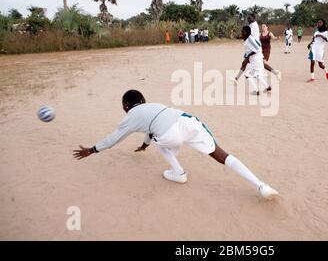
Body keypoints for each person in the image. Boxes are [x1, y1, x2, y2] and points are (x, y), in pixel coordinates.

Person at [73, 90, 279, 200]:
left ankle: (178, 173)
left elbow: (114, 138)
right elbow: (151, 127)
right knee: (221, 155)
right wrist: (144, 145)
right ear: (143, 99)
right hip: (187, 122)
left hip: (168, 135)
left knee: (160, 142)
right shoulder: (153, 106)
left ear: (126, 106)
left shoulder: (131, 116)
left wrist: (92, 149)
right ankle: (262, 186)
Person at [233, 26, 272, 95]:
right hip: (257, 58)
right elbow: (258, 44)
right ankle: (268, 87)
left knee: (247, 75)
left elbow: (257, 48)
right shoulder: (249, 37)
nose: (241, 33)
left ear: (246, 32)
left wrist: (248, 56)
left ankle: (256, 91)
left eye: (242, 31)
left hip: (255, 59)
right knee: (257, 75)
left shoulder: (249, 39)